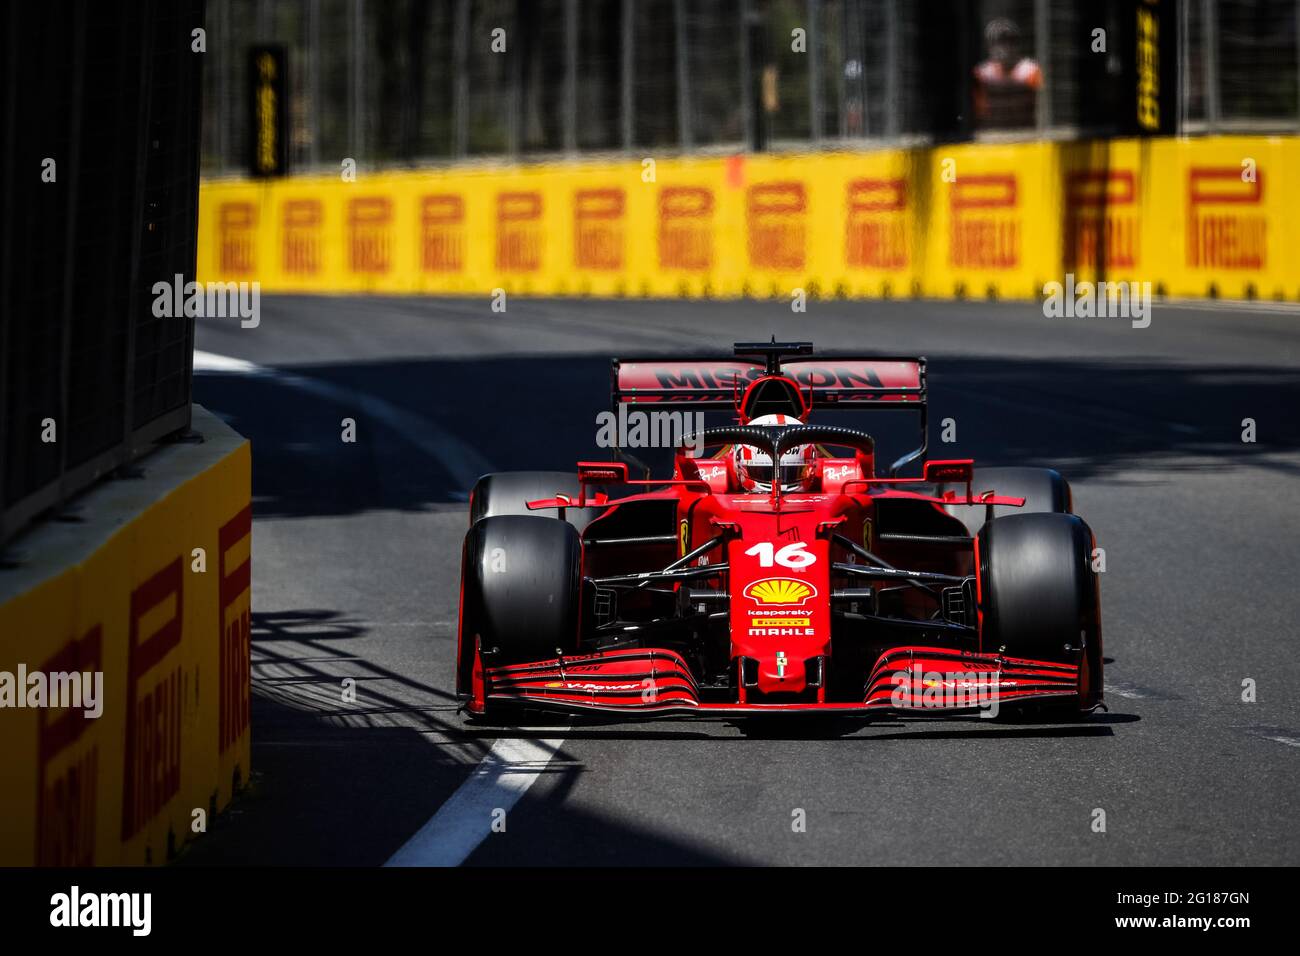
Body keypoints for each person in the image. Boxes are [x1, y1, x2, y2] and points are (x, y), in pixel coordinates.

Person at [973, 17, 1042, 129]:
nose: (1004, 48)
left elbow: (1040, 109)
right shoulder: (982, 74)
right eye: (997, 42)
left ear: (1017, 44)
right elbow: (979, 111)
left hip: (1025, 132)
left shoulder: (1030, 70)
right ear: (988, 46)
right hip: (992, 133)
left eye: (1009, 42)